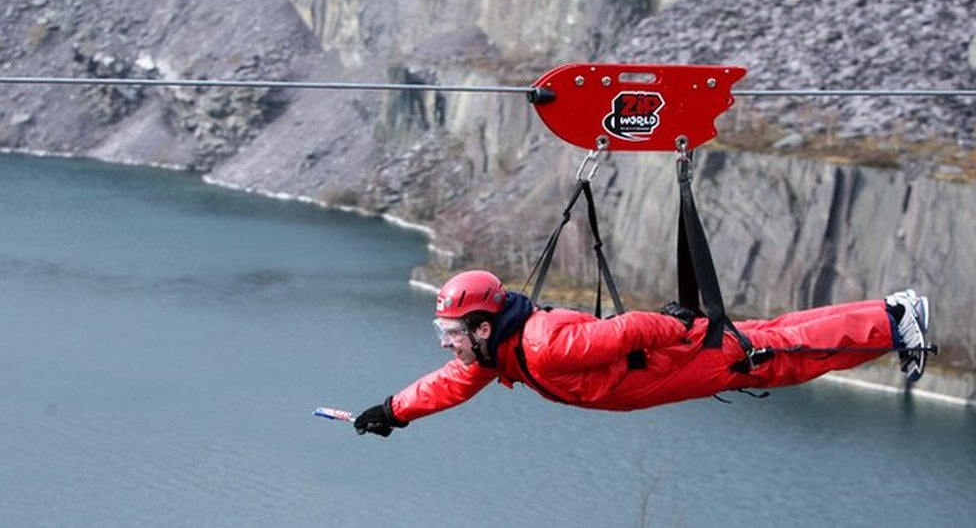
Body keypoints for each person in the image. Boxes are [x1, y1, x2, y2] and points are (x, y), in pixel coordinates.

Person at [354, 270, 931, 437]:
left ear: (481, 326)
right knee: (775, 340)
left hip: (677, 363)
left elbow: (627, 329)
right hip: (669, 367)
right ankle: (890, 314)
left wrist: (676, 328)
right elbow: (449, 383)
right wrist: (393, 410)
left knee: (778, 355)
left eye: (453, 332)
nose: (449, 343)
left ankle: (894, 320)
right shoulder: (498, 353)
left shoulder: (542, 347)